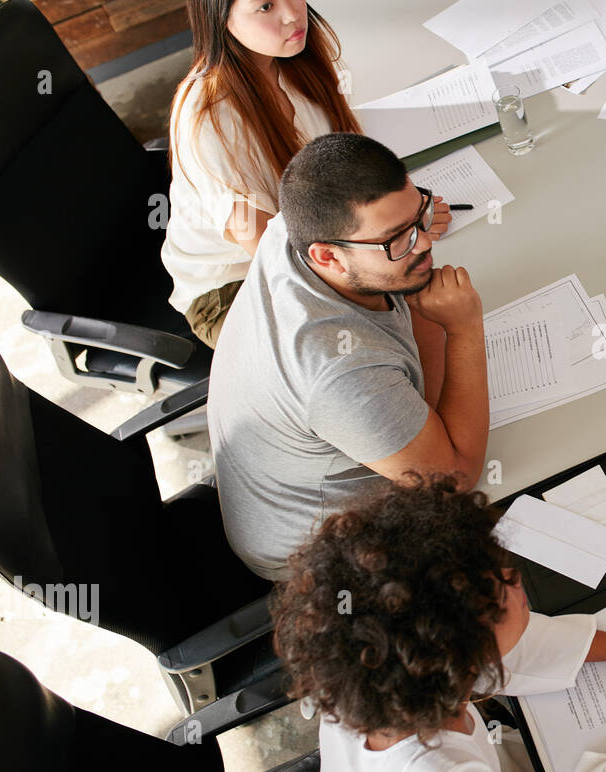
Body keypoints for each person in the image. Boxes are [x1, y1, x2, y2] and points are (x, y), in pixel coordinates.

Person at [272, 475, 606, 772]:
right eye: (502, 588)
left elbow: (507, 648)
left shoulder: (376, 675)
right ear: (469, 650)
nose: (516, 576)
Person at [208, 132, 486, 580]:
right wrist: (465, 329)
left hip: (295, 477)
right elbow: (453, 482)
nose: (423, 245)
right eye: (395, 238)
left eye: (420, 216)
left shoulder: (295, 225)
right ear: (328, 256)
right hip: (321, 560)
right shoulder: (338, 370)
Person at [162, 0, 366, 347]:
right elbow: (270, 253)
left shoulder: (293, 53)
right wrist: (373, 260)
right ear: (223, 18)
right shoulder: (207, 118)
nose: (293, 14)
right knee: (361, 345)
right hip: (232, 287)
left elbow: (347, 156)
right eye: (266, 5)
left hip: (316, 238)